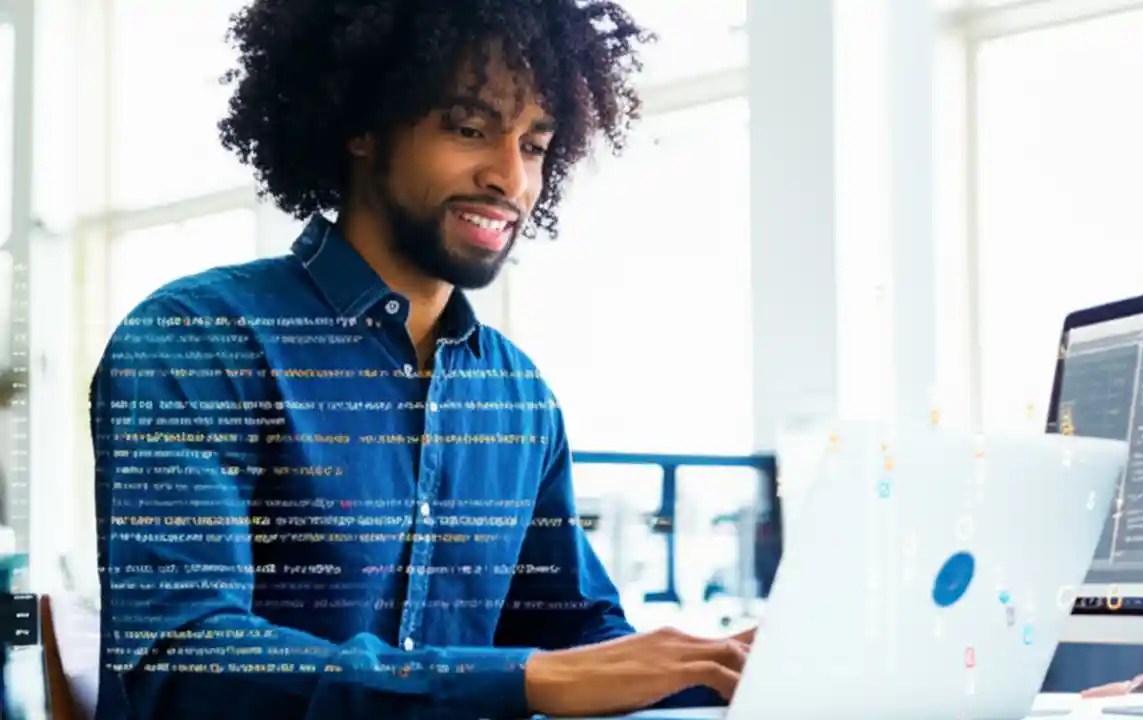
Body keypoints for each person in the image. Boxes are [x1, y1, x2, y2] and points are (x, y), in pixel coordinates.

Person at [90, 2, 752, 719]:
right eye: (470, 129)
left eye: (533, 145)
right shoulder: (197, 340)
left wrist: (724, 668)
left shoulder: (518, 397)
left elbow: (575, 633)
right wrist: (528, 679)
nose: (510, 179)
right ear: (362, 126)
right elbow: (185, 658)